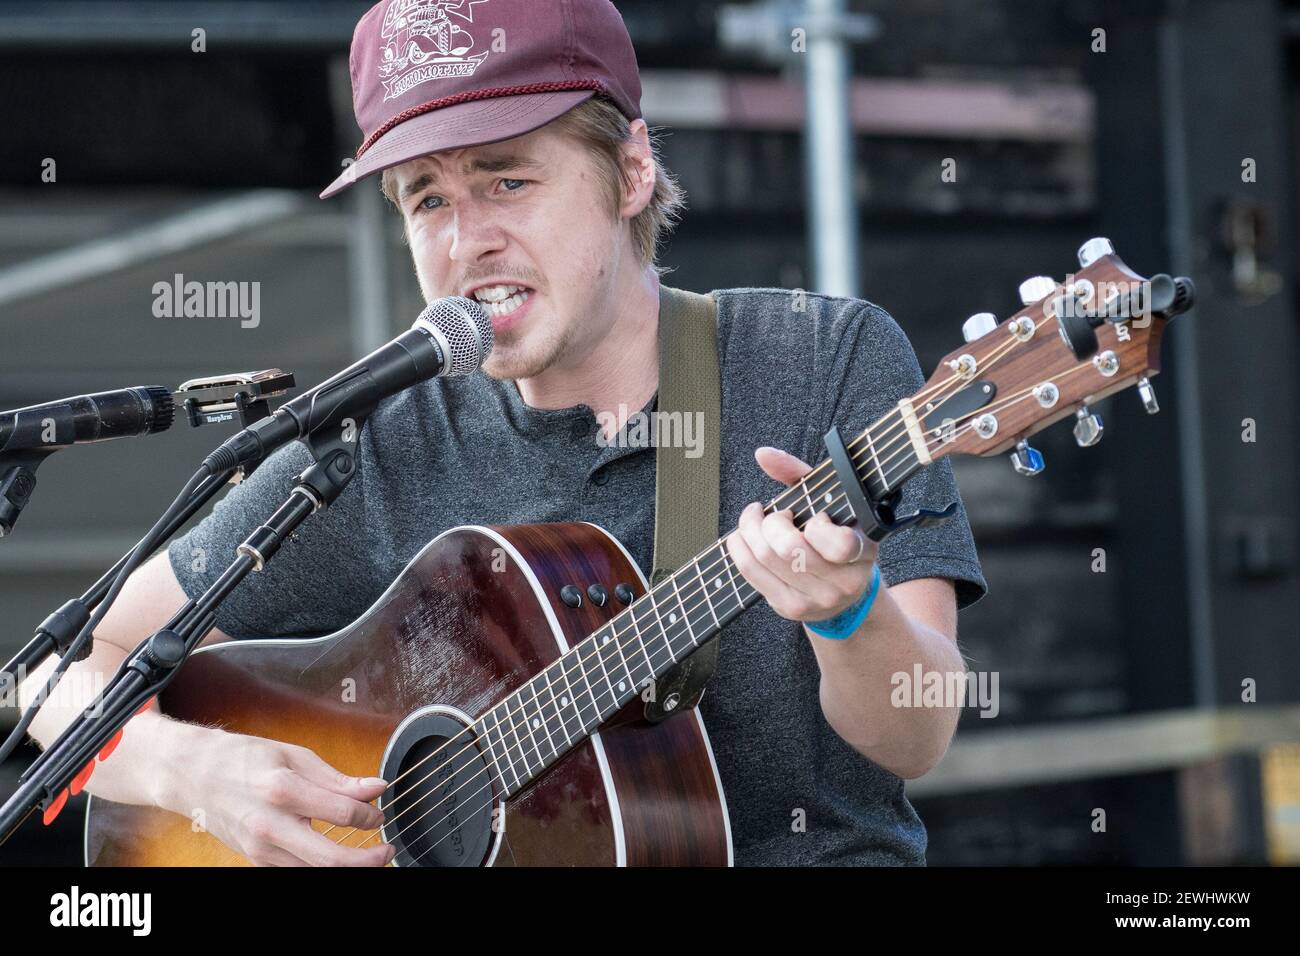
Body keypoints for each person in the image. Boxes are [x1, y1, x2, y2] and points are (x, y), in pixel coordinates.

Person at [25, 0, 986, 866]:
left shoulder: (818, 360)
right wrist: (200, 775)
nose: (465, 241)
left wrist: (848, 616)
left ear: (632, 171)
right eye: (428, 198)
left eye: (509, 181)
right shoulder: (376, 444)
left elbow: (920, 733)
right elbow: (49, 678)